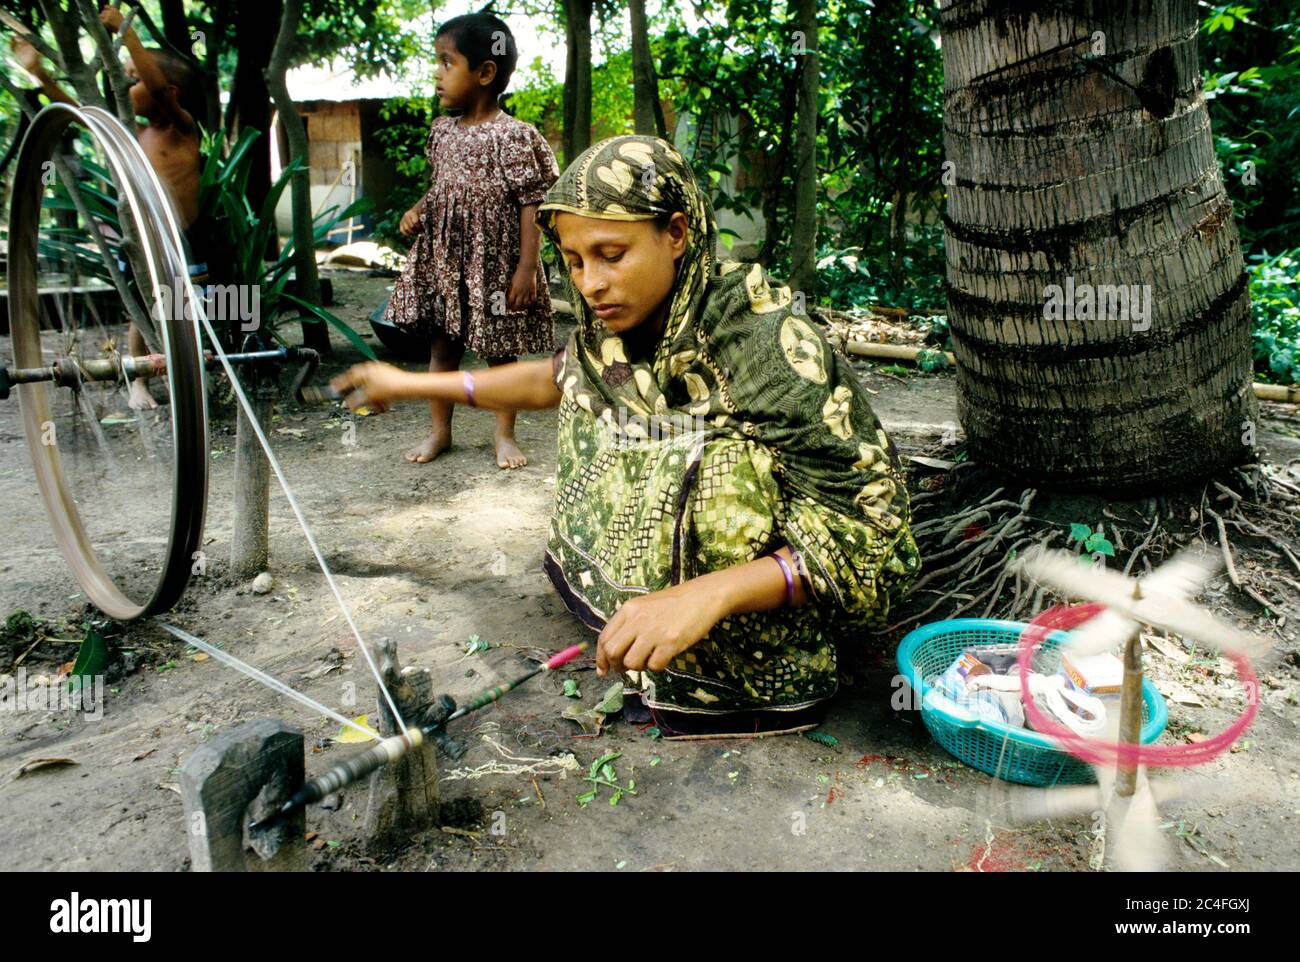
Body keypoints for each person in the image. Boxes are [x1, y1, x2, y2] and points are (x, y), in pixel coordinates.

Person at [334, 136, 922, 736]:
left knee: (715, 460)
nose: (590, 283)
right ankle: (632, 607)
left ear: (676, 233)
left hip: (764, 623)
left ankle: (720, 663)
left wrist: (710, 594)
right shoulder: (618, 318)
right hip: (680, 591)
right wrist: (409, 385)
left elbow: (877, 533)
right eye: (574, 260)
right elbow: (556, 379)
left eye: (612, 254)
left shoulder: (768, 345)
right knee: (602, 405)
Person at [385, 11, 558, 468]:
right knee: (442, 346)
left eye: (447, 63)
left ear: (485, 73)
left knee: (499, 351)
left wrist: (526, 269)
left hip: (496, 265)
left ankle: (504, 435)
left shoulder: (514, 137)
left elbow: (532, 203)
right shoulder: (441, 132)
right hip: (445, 262)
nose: (437, 75)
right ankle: (440, 431)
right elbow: (443, 187)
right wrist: (418, 210)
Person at [13, 7, 205, 410]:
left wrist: (127, 31)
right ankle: (139, 383)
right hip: (140, 238)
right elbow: (85, 118)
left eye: (131, 78)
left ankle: (195, 380)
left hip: (180, 239)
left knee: (185, 307)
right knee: (140, 312)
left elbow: (154, 85)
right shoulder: (134, 133)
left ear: (169, 93)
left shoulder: (182, 128)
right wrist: (42, 76)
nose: (123, 82)